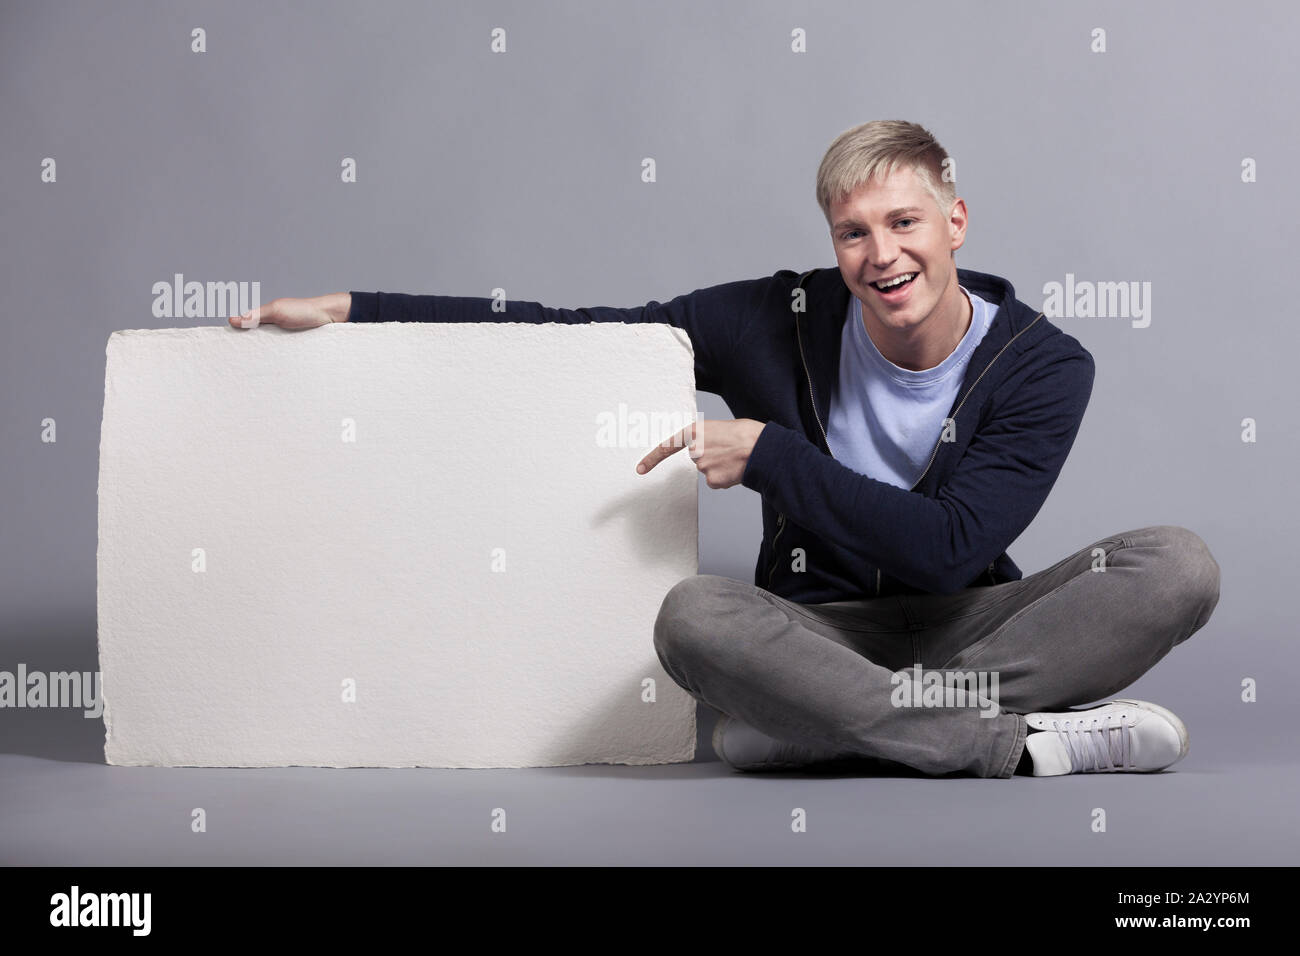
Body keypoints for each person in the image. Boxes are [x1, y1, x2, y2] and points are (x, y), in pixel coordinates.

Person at [229, 120, 1220, 779]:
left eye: (904, 221)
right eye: (852, 232)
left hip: (973, 626)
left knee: (1174, 565)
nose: (882, 256)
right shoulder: (772, 317)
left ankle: (825, 728)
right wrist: (357, 311)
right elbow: (573, 330)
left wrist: (771, 453)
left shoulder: (1043, 363)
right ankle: (1002, 748)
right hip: (813, 628)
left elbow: (951, 546)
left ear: (953, 222)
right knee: (692, 613)